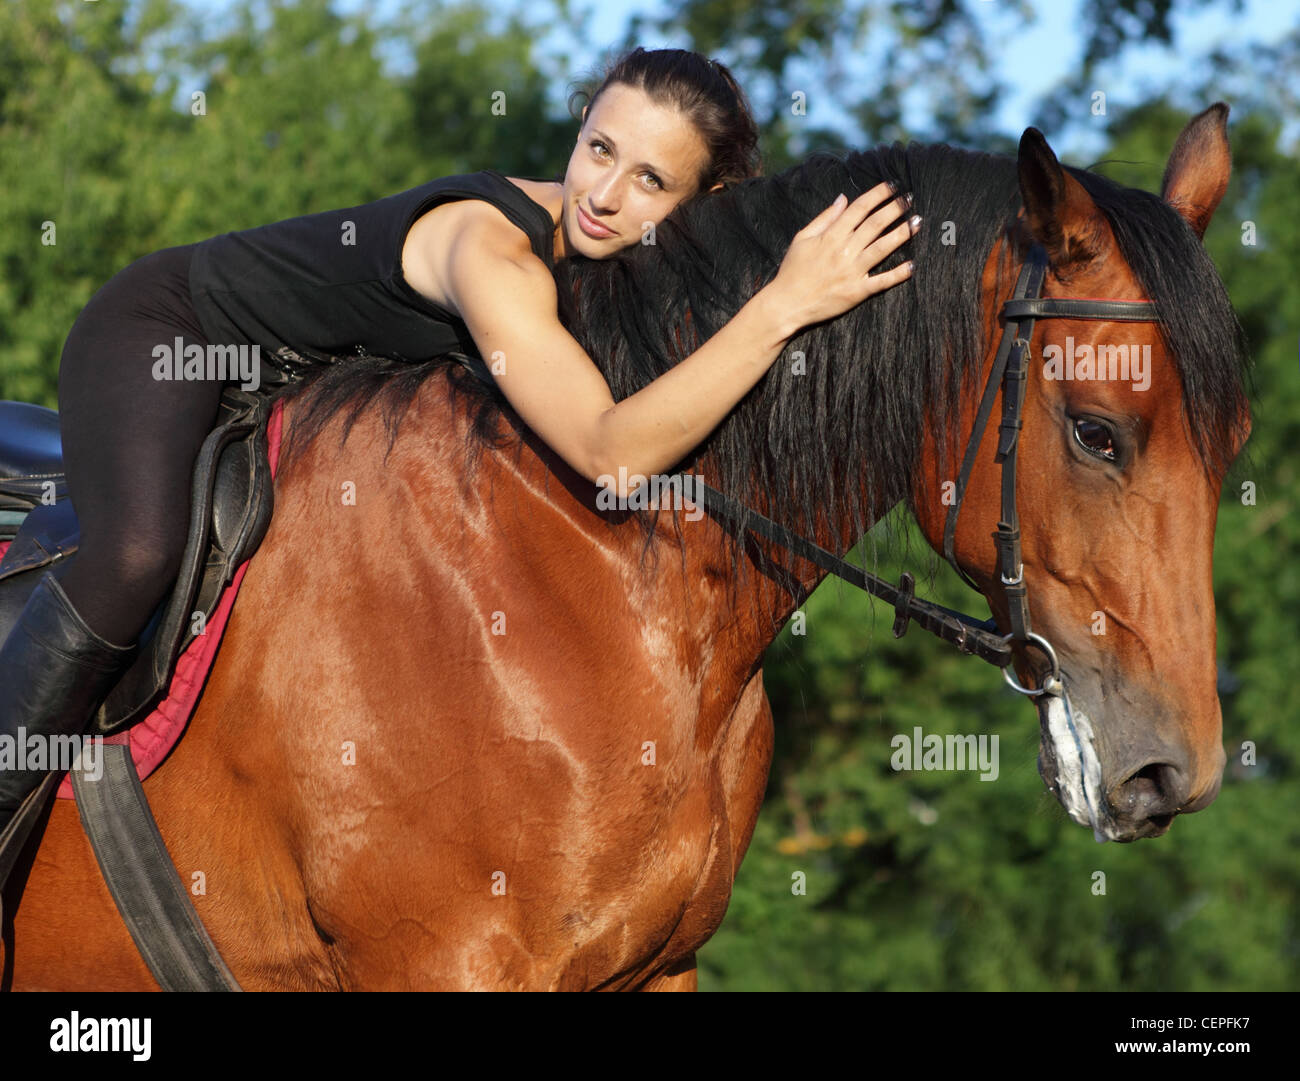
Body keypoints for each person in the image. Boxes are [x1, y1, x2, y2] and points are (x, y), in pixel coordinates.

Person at [0, 47, 919, 831]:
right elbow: (611, 454)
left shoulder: (618, 278)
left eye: (650, 180)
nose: (602, 193)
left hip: (276, 387)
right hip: (169, 334)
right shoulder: (494, 250)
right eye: (599, 147)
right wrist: (785, 304)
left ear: (708, 200)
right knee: (136, 549)